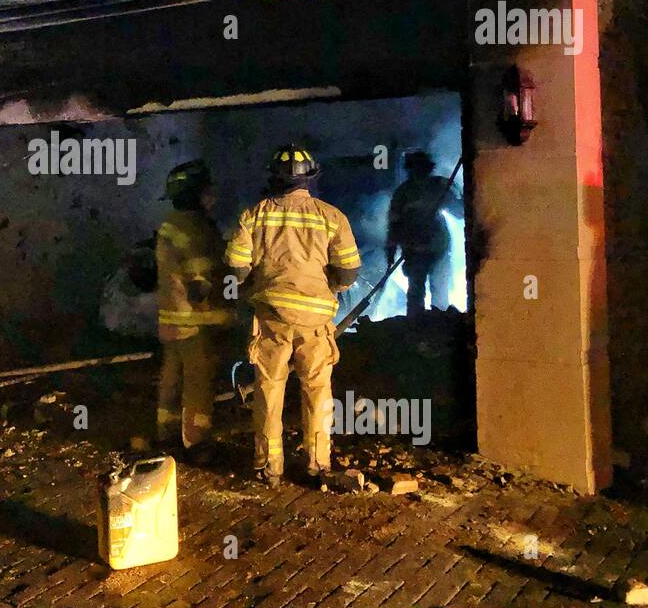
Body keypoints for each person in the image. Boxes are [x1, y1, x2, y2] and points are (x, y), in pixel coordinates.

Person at [225, 145, 361, 488]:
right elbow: (348, 271)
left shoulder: (254, 215)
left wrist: (252, 283)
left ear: (273, 177)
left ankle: (269, 467)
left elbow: (236, 266)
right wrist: (329, 286)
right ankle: (317, 465)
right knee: (317, 390)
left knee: (269, 391)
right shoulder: (332, 217)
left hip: (271, 318)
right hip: (315, 323)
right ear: (312, 178)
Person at [155, 160, 232, 456]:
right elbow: (201, 280)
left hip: (170, 319)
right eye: (207, 190)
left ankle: (166, 434)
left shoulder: (170, 224)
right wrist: (224, 308)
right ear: (196, 194)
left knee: (171, 378)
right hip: (196, 321)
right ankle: (196, 444)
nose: (211, 195)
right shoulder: (196, 227)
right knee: (198, 384)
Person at [386, 152, 463, 316]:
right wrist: (390, 252)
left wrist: (453, 199)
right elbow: (394, 225)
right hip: (414, 249)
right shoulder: (403, 193)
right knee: (416, 290)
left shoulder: (440, 186)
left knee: (439, 286)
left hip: (438, 247)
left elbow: (460, 212)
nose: (419, 172)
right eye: (415, 169)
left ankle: (440, 322)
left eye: (422, 168)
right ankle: (416, 324)